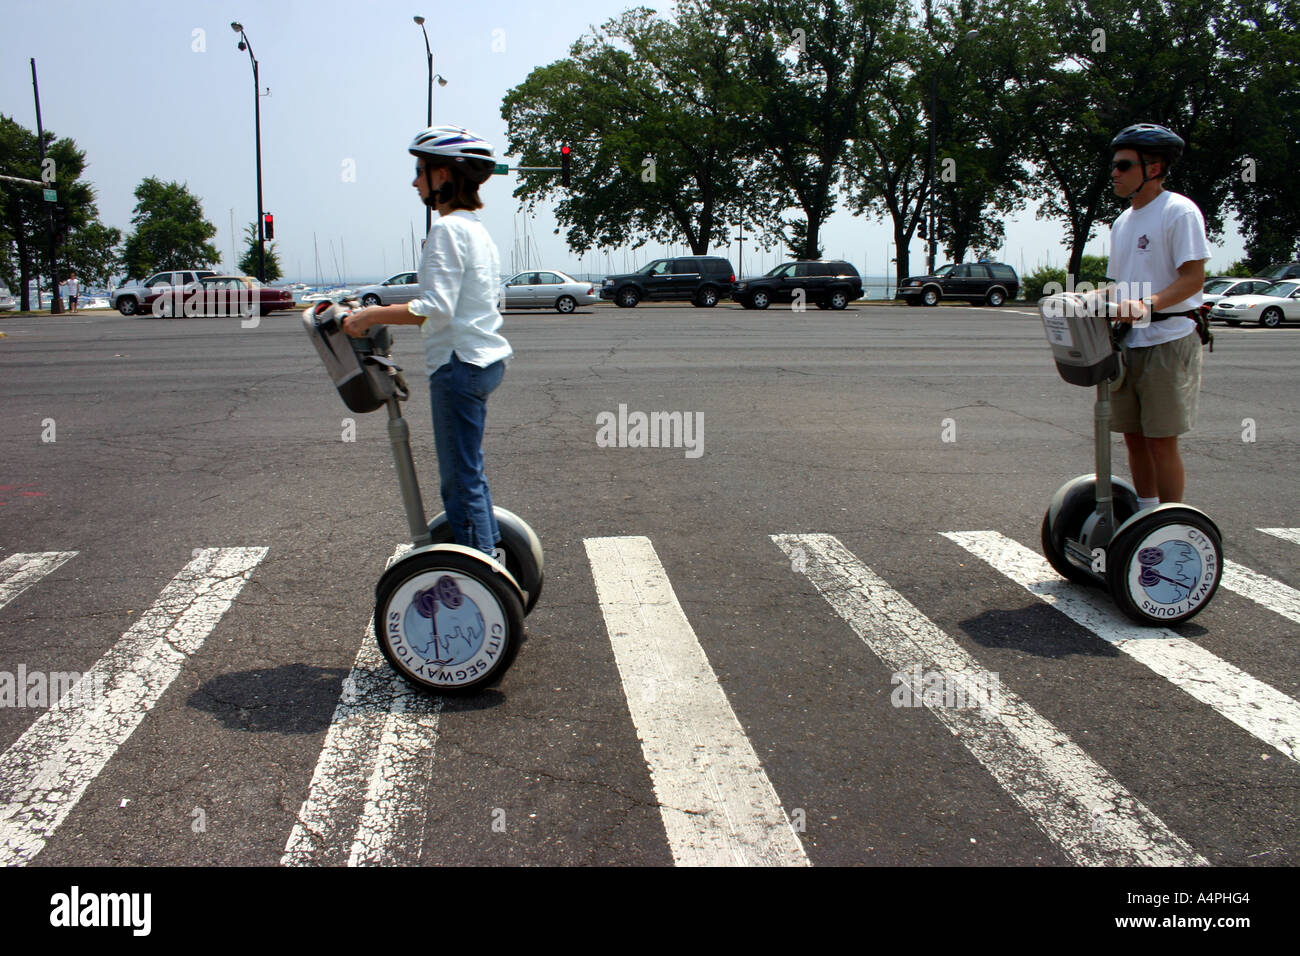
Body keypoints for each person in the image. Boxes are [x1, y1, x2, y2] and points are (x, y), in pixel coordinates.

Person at [343, 126, 512, 557]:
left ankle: (484, 573)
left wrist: (370, 316)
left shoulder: (448, 231)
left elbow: (435, 306)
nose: (414, 181)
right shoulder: (476, 229)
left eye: (420, 171)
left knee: (458, 478)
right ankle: (490, 553)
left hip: (459, 365)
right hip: (482, 360)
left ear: (444, 176)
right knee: (468, 471)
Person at [1106, 123, 1210, 509]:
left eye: (1124, 164)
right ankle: (1146, 516)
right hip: (1130, 341)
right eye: (1114, 165)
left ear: (1153, 168)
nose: (1114, 172)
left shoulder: (1178, 212)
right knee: (1132, 436)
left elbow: (1192, 279)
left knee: (1161, 440)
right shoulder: (1121, 223)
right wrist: (1080, 299)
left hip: (1168, 339)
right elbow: (1120, 285)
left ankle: (1171, 523)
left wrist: (1147, 305)